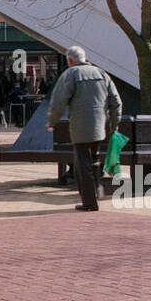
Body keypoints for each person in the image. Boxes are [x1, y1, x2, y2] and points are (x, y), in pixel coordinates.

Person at [46, 45, 122, 212]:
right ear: (85, 58)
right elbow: (116, 101)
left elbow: (58, 102)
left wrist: (52, 122)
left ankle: (89, 202)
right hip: (99, 127)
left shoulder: (70, 74)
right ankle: (97, 190)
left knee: (83, 165)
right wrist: (114, 123)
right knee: (94, 160)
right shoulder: (102, 74)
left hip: (80, 128)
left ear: (70, 60)